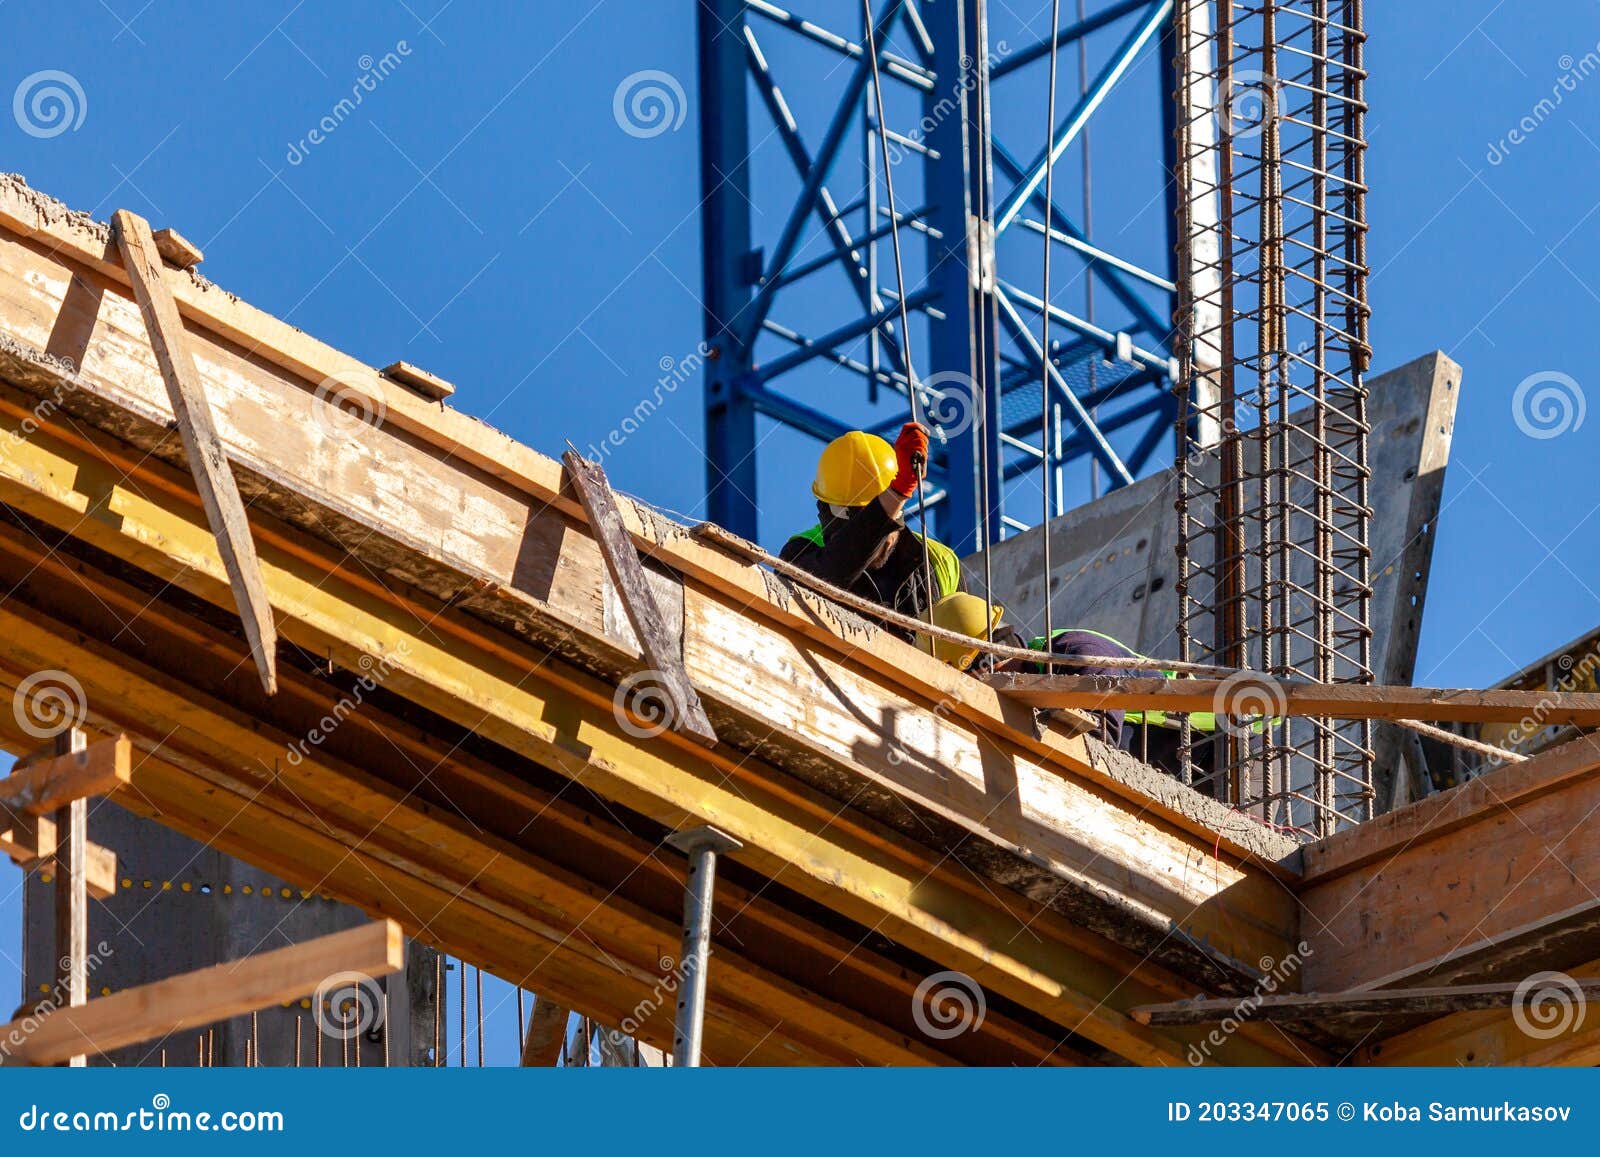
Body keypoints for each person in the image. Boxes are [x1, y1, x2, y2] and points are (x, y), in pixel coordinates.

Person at [781, 423, 962, 640]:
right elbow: (826, 579)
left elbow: (968, 634)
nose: (875, 534)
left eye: (877, 515)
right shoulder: (802, 553)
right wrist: (897, 491)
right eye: (861, 521)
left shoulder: (938, 561)